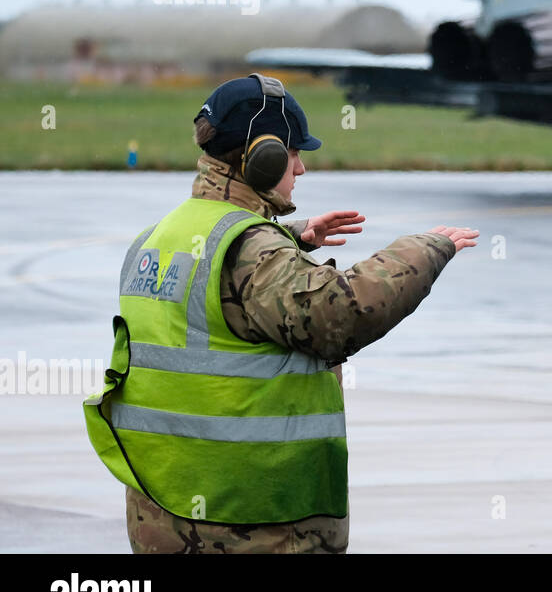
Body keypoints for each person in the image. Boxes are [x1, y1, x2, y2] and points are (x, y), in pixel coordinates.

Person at [84, 73, 477, 553]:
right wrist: (423, 251)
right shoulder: (253, 251)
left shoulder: (159, 238)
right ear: (262, 157)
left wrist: (289, 238)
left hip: (162, 514)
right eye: (294, 153)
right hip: (250, 521)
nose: (302, 168)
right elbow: (339, 317)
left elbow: (224, 295)